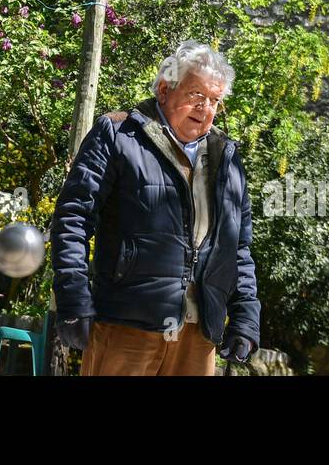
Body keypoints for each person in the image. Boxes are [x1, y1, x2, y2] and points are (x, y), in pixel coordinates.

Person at [51, 40, 260, 376]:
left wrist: (246, 316)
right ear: (164, 89)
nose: (205, 108)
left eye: (214, 101)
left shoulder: (226, 157)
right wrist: (73, 298)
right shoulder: (119, 134)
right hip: (127, 324)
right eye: (196, 95)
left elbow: (238, 249)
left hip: (198, 332)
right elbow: (73, 218)